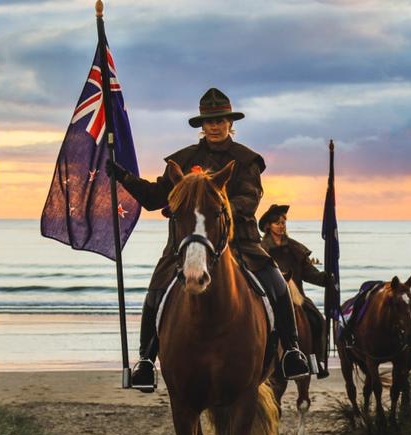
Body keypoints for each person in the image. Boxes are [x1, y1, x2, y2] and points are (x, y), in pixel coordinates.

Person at [107, 87, 310, 391]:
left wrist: (214, 208)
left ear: (230, 122)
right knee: (157, 287)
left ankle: (292, 350)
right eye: (209, 121)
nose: (215, 126)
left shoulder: (247, 160)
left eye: (220, 120)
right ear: (201, 125)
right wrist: (123, 177)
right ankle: (146, 359)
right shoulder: (184, 159)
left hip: (239, 240)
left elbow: (249, 199)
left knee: (276, 281)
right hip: (187, 242)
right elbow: (153, 198)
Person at [258, 204, 331, 378]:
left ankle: (316, 362)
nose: (281, 226)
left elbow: (309, 273)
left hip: (297, 298)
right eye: (277, 223)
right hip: (271, 298)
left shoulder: (295, 249)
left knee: (318, 321)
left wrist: (327, 279)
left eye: (283, 222)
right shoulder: (261, 250)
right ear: (268, 226)